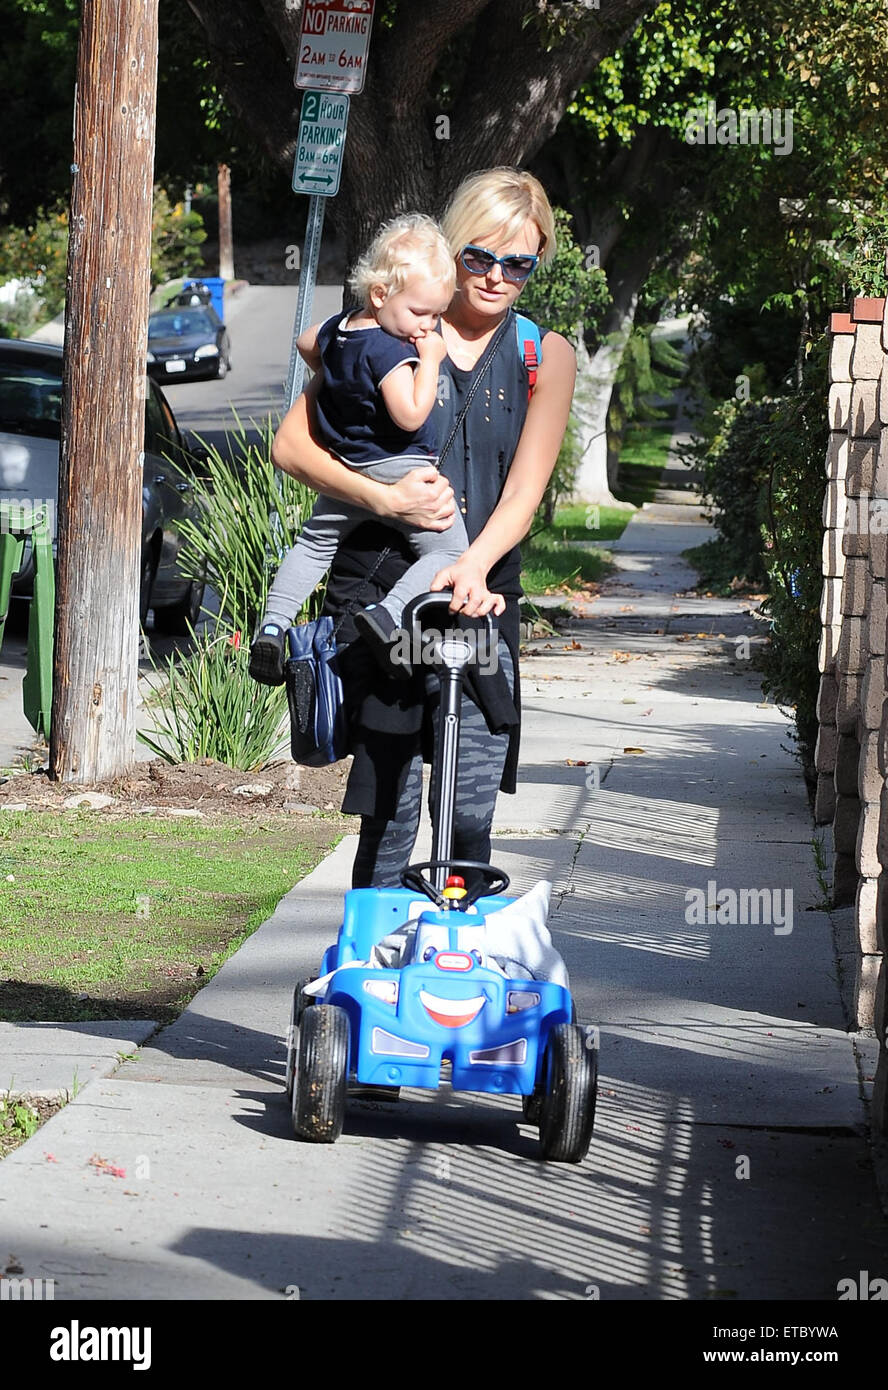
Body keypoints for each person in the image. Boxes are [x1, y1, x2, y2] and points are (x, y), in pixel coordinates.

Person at [270, 167, 576, 889]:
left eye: (519, 264)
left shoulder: (543, 354)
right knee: (391, 812)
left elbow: (524, 491)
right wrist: (386, 503)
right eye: (480, 257)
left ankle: (456, 972)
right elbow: (291, 448)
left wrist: (472, 568)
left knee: (467, 807)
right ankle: (371, 976)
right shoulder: (383, 334)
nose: (497, 277)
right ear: (451, 247)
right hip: (387, 598)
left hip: (479, 601)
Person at [250, 213, 466, 683]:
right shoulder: (392, 351)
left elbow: (306, 344)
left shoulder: (341, 330)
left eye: (436, 316)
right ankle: (388, 614)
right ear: (380, 295)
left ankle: (272, 625)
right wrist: (429, 361)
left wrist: (339, 376)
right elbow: (410, 413)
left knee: (313, 542)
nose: (427, 326)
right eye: (420, 313)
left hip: (347, 468)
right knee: (450, 549)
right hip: (401, 468)